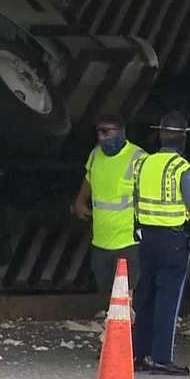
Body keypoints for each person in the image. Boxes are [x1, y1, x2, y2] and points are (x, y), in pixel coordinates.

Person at [131, 111, 190, 377]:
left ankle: (138, 355)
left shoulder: (142, 165)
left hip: (147, 239)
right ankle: (161, 358)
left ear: (160, 134)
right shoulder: (183, 170)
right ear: (183, 138)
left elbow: (135, 200)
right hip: (173, 241)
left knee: (146, 297)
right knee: (168, 299)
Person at [72, 115, 144, 299]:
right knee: (106, 293)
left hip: (128, 241)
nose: (101, 138)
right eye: (98, 132)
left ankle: (129, 326)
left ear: (121, 132)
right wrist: (80, 202)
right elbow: (89, 178)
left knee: (126, 294)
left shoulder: (138, 158)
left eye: (106, 132)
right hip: (101, 240)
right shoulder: (96, 154)